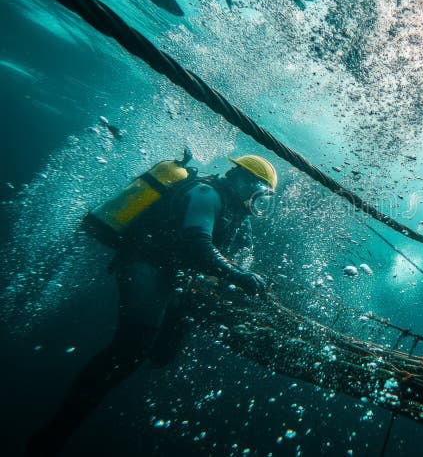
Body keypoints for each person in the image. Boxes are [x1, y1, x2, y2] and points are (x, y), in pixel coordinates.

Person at [27, 154, 278, 456]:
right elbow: (198, 242)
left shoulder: (237, 212)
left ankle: (68, 423)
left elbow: (235, 255)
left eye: (264, 198)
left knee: (161, 350)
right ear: (244, 181)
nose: (259, 201)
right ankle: (57, 430)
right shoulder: (206, 194)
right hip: (145, 262)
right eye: (260, 193)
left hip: (170, 273)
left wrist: (238, 276)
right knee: (131, 348)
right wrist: (237, 275)